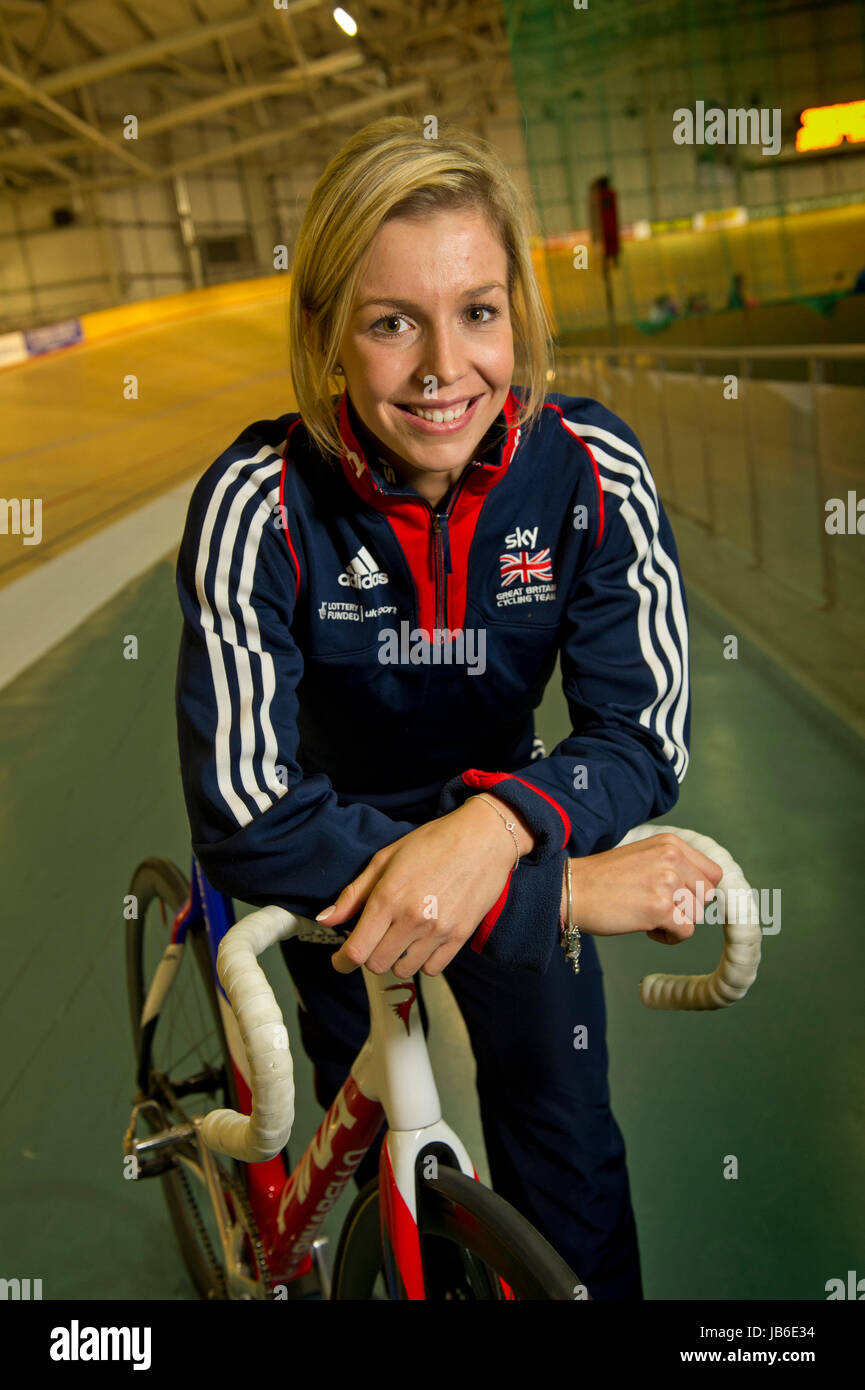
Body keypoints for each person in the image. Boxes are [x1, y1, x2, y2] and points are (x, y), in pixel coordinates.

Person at [174, 116, 720, 1300]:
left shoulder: (589, 468)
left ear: (517, 311)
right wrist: (563, 890)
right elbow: (250, 813)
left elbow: (643, 731)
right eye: (390, 322)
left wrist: (498, 832)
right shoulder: (254, 503)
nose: (442, 367)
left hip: (503, 807)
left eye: (477, 311)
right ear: (324, 335)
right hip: (326, 842)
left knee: (570, 1168)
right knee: (359, 1142)